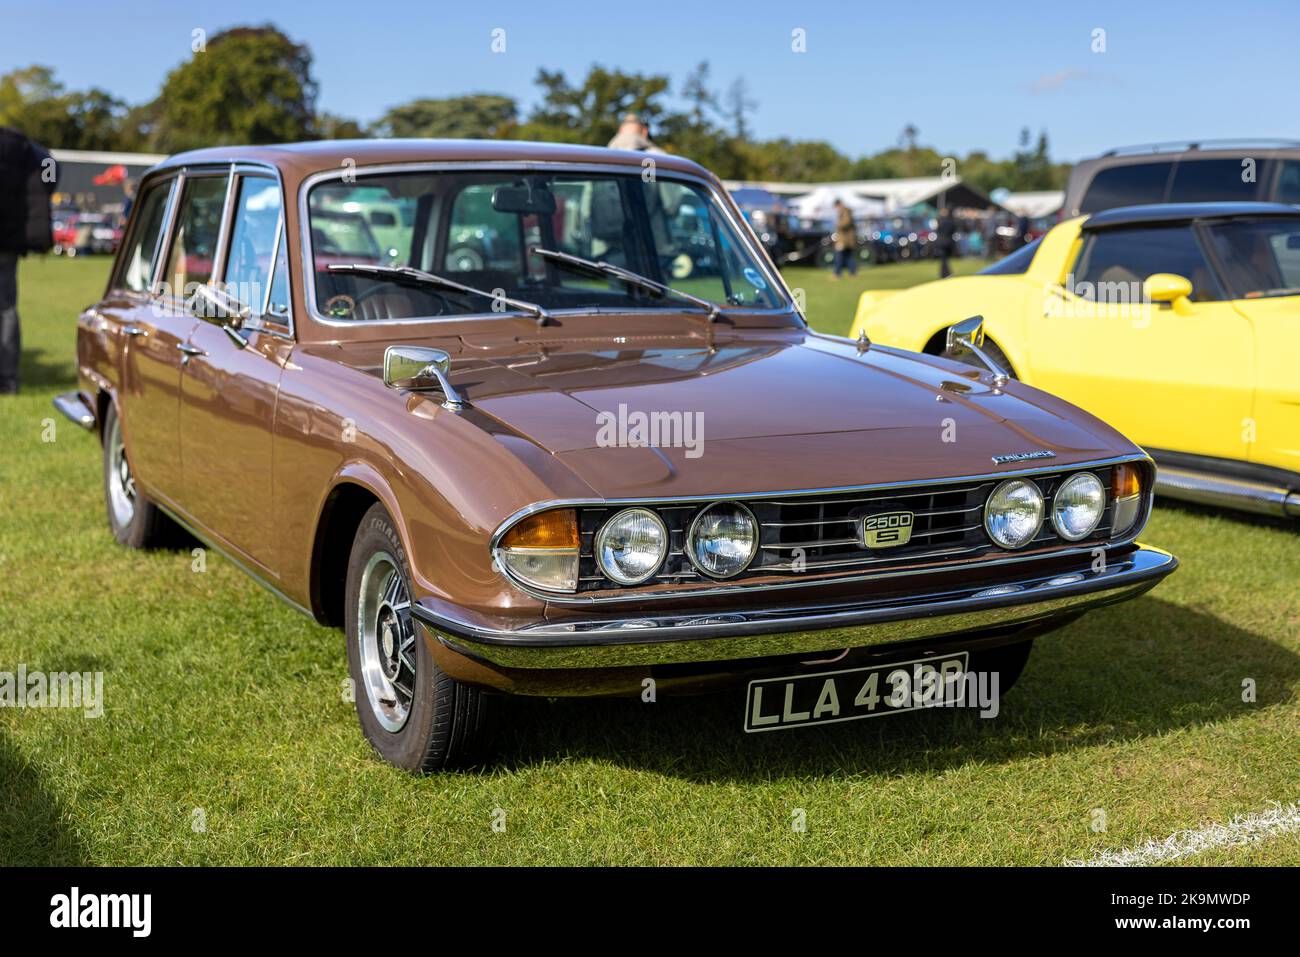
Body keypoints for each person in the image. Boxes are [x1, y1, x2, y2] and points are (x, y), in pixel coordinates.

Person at [0, 126, 54, 396]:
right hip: (8, 241)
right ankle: (8, 380)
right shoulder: (21, 145)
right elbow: (51, 170)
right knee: (7, 309)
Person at [830, 199, 857, 279]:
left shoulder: (845, 212)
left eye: (836, 207)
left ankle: (837, 274)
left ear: (839, 205)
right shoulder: (846, 212)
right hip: (847, 239)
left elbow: (846, 223)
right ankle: (852, 274)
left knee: (839, 256)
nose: (836, 209)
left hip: (845, 240)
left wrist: (837, 224)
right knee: (849, 257)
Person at [936, 206, 957, 279]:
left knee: (943, 259)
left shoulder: (941, 221)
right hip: (948, 242)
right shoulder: (951, 221)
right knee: (945, 258)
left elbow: (938, 231)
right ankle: (945, 273)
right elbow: (953, 230)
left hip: (941, 242)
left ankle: (944, 273)